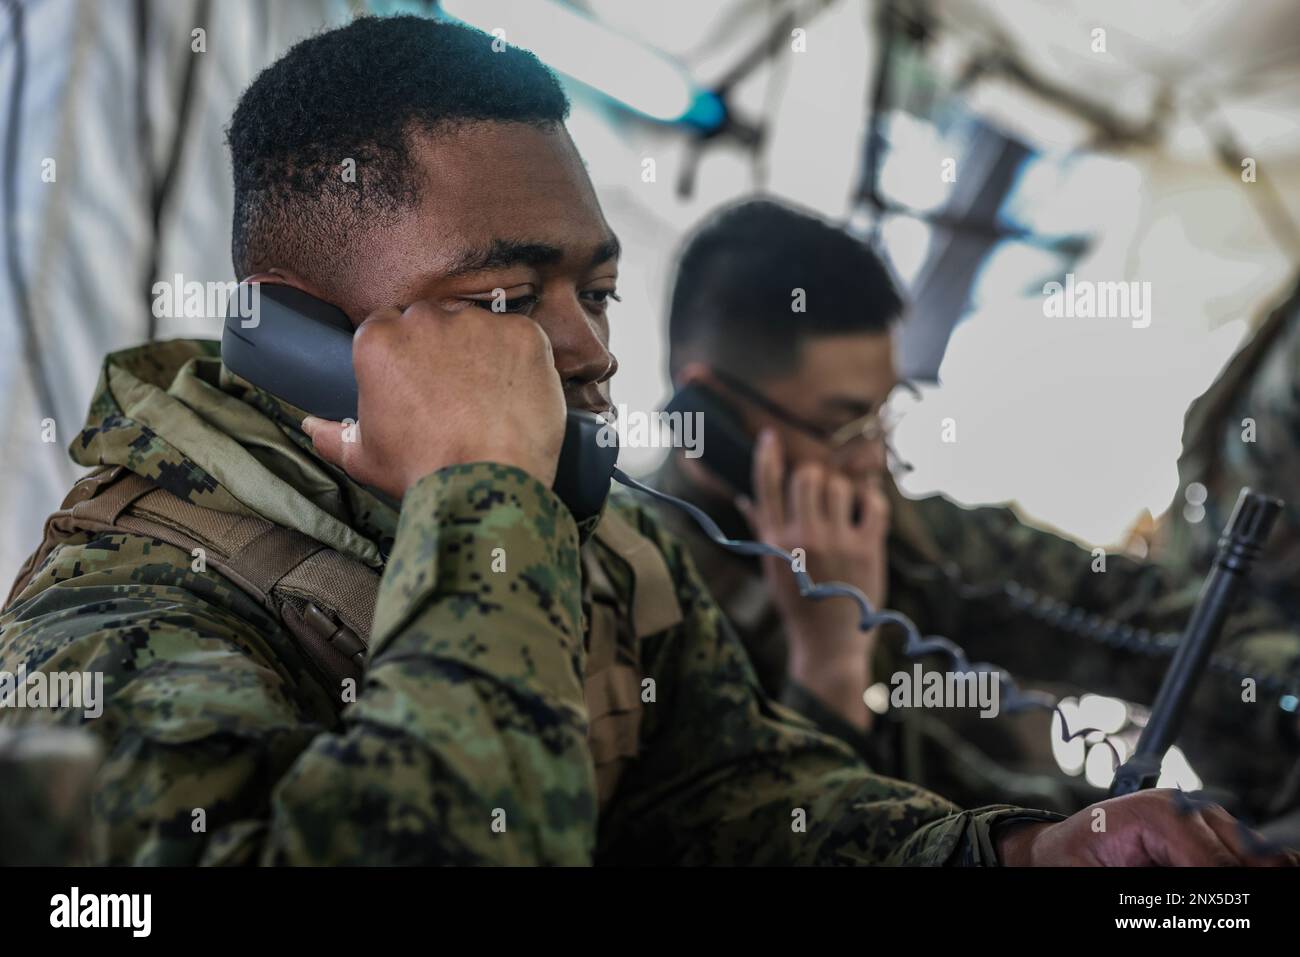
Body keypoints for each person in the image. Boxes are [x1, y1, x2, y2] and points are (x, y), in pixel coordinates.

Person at [0, 15, 1286, 866]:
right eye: (506, 299)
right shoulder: (117, 625)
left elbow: (736, 805)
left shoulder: (605, 545)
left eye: (596, 292)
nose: (590, 347)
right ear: (300, 335)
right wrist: (480, 496)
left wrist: (1016, 855)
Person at [646, 198, 1300, 819]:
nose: (872, 458)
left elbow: (1126, 609)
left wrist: (1281, 679)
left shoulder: (889, 524)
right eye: (843, 427)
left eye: (882, 418)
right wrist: (831, 662)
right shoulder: (636, 587)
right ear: (710, 413)